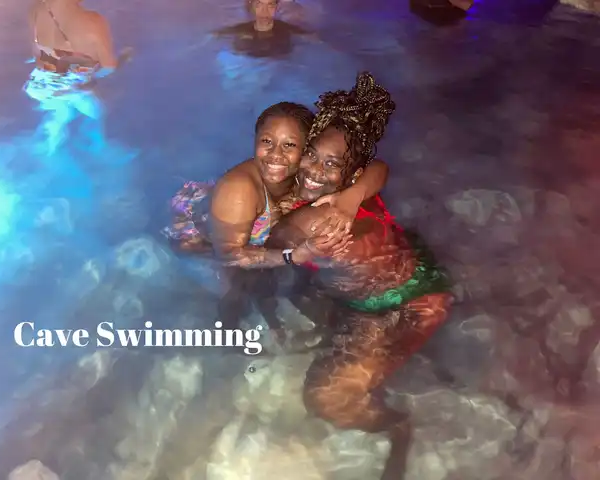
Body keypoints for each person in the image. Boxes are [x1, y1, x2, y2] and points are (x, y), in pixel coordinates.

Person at [266, 72, 453, 433]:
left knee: (325, 398)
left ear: (352, 173)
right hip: (401, 268)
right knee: (310, 297)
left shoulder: (314, 220)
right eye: (310, 154)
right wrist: (353, 196)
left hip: (406, 306)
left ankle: (400, 428)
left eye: (332, 164)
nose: (315, 170)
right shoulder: (352, 190)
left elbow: (263, 249)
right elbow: (380, 169)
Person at [163, 101, 390, 336]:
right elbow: (229, 256)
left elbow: (379, 167)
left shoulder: (303, 171)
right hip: (199, 237)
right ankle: (229, 337)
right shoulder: (239, 190)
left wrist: (352, 197)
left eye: (289, 145)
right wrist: (294, 256)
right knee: (237, 294)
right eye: (266, 141)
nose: (276, 155)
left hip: (241, 218)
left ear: (306, 147)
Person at [25, 0, 132, 153]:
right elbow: (108, 68)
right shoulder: (92, 24)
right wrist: (124, 58)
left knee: (62, 110)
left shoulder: (40, 15)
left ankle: (50, 144)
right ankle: (98, 145)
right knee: (97, 112)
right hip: (70, 87)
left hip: (38, 88)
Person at [212, 0, 313, 58]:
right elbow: (216, 35)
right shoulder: (241, 30)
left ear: (275, 8)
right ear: (252, 8)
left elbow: (310, 37)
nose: (265, 10)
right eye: (259, 5)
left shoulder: (287, 29)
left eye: (270, 5)